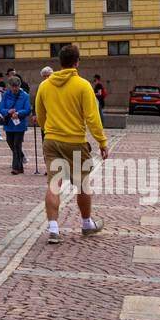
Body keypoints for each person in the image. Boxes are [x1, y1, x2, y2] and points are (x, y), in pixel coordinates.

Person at [34, 45, 108, 244]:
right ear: (77, 62)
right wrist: (102, 141)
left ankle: (53, 228)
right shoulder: (83, 85)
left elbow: (40, 115)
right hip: (75, 141)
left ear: (60, 62)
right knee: (82, 185)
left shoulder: (45, 85)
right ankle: (86, 224)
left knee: (54, 184)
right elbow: (92, 118)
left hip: (51, 140)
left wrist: (49, 128)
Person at [0, 76, 32, 174]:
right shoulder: (6, 95)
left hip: (19, 125)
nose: (15, 88)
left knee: (17, 145)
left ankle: (16, 168)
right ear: (10, 86)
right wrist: (8, 111)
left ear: (19, 85)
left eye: (16, 86)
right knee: (10, 142)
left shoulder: (25, 96)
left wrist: (18, 113)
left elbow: (28, 109)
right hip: (9, 123)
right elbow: (1, 108)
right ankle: (20, 164)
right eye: (13, 86)